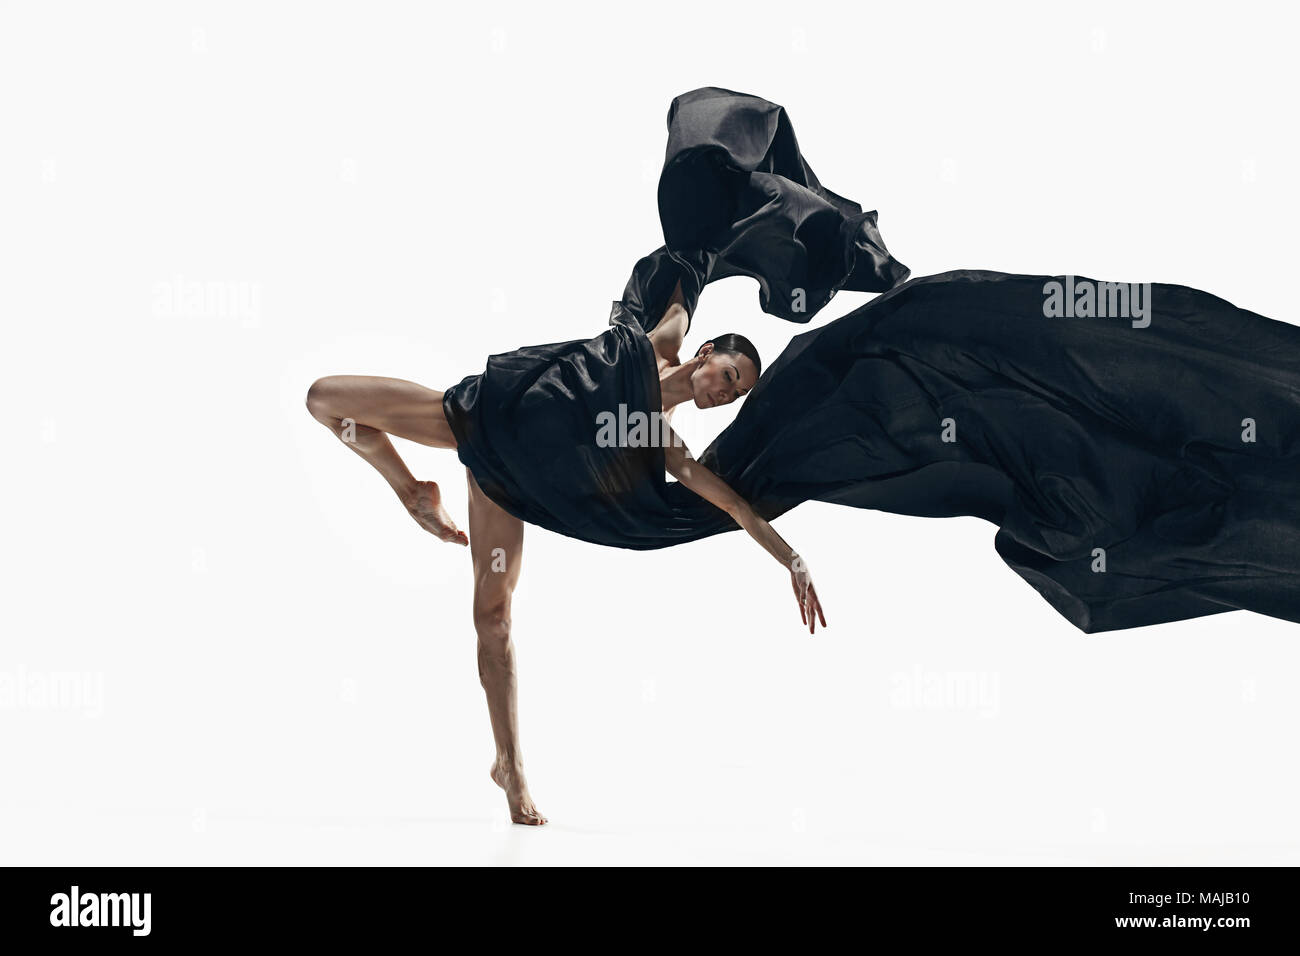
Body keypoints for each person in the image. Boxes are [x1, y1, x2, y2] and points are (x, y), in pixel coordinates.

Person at [306, 279, 826, 826]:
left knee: (493, 618)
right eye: (729, 374)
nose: (725, 391)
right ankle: (413, 492)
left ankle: (509, 764)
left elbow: (736, 507)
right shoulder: (656, 345)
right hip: (483, 416)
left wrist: (791, 557)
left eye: (736, 393)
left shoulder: (661, 438)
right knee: (324, 400)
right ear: (706, 354)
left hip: (505, 480)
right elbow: (684, 274)